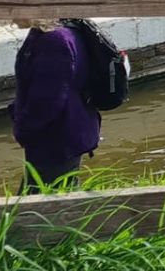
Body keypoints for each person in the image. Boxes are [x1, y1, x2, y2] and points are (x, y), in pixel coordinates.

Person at [10, 18, 101, 191]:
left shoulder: (53, 40)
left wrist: (22, 129)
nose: (11, 18)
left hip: (56, 140)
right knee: (61, 195)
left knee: (40, 201)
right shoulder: (58, 31)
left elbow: (47, 99)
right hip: (66, 133)